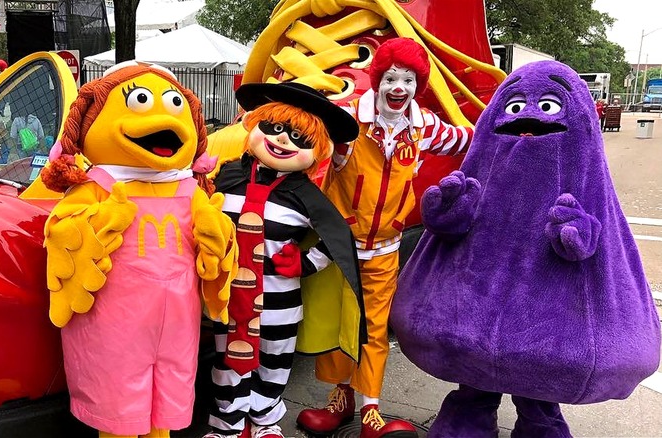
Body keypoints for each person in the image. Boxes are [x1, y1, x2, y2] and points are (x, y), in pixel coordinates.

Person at [391, 60, 660, 438]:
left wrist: (577, 233)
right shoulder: (482, 170)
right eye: (515, 105)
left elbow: (598, 231)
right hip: (476, 297)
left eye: (549, 104)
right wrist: (444, 214)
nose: (530, 114)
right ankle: (470, 413)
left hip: (548, 306)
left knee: (539, 377)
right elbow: (450, 228)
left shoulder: (580, 173)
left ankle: (540, 421)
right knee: (475, 370)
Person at [40, 62, 238, 438]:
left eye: (175, 106)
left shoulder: (189, 189)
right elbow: (60, 234)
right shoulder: (97, 186)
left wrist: (217, 234)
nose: (165, 120)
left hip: (177, 324)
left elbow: (217, 253)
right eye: (142, 102)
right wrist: (98, 220)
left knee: (166, 401)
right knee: (118, 406)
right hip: (113, 325)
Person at [296, 37, 474, 438]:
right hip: (339, 246)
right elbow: (301, 140)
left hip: (385, 248)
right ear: (377, 79)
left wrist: (511, 135)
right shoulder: (345, 119)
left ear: (418, 84)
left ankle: (371, 412)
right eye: (392, 77)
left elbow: (466, 139)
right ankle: (339, 400)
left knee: (375, 328)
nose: (399, 87)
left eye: (408, 80)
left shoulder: (423, 124)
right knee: (338, 323)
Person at [204, 82, 363, 438]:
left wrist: (306, 263)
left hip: (280, 301)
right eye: (273, 128)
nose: (283, 140)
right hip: (229, 298)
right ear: (254, 123)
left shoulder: (305, 194)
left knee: (274, 362)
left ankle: (264, 421)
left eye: (299, 137)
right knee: (228, 362)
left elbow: (339, 237)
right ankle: (228, 425)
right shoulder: (226, 174)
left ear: (317, 150)